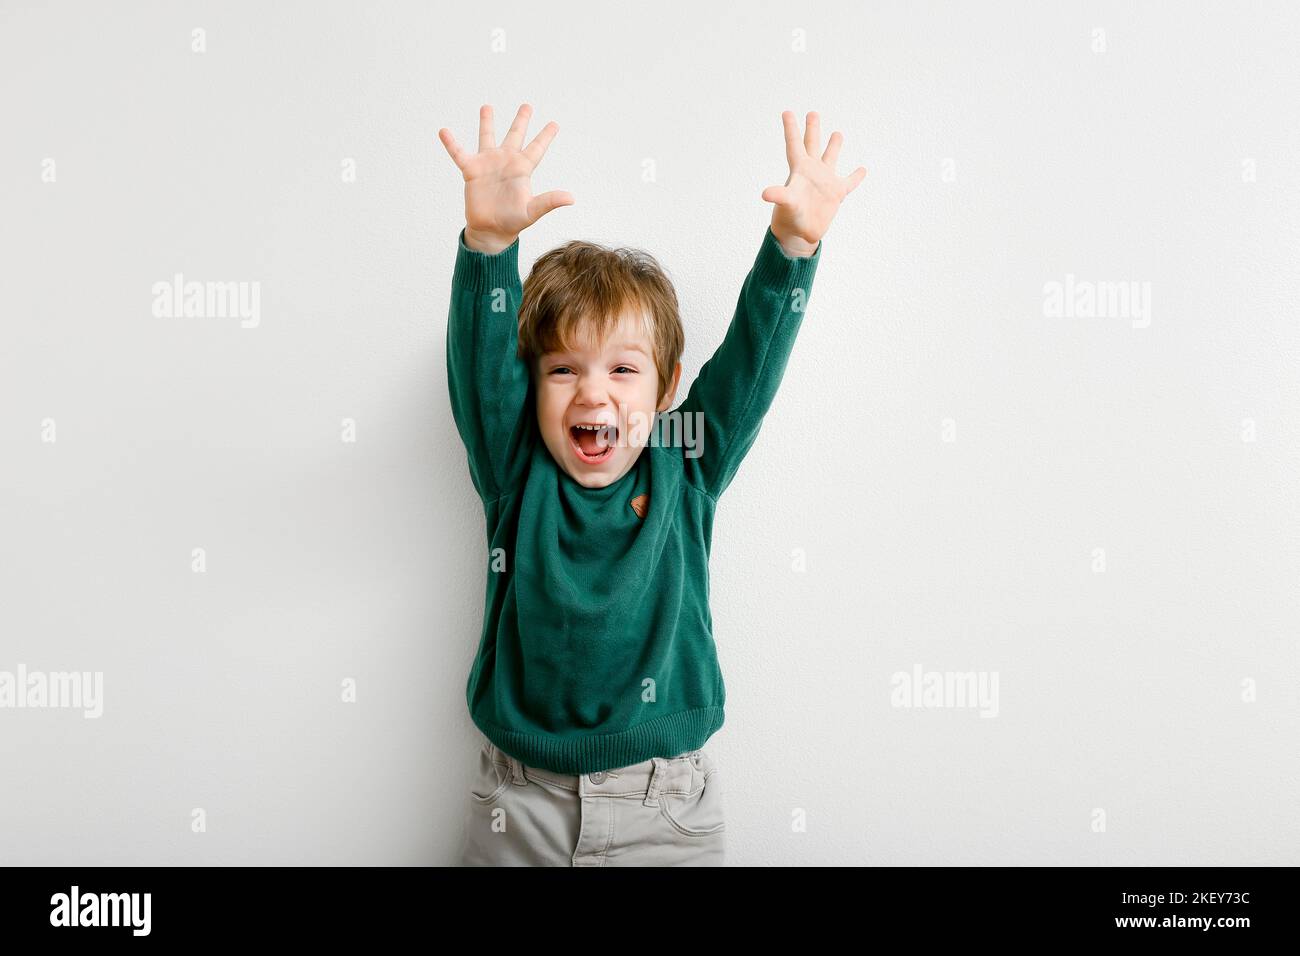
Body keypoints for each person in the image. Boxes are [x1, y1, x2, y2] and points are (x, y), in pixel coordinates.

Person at [438, 103, 865, 865]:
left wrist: (793, 246)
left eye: (622, 370)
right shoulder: (515, 467)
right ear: (530, 385)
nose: (593, 395)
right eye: (563, 368)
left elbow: (749, 367)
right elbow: (481, 370)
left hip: (664, 810)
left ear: (666, 389)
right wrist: (489, 246)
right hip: (520, 806)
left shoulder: (687, 457)